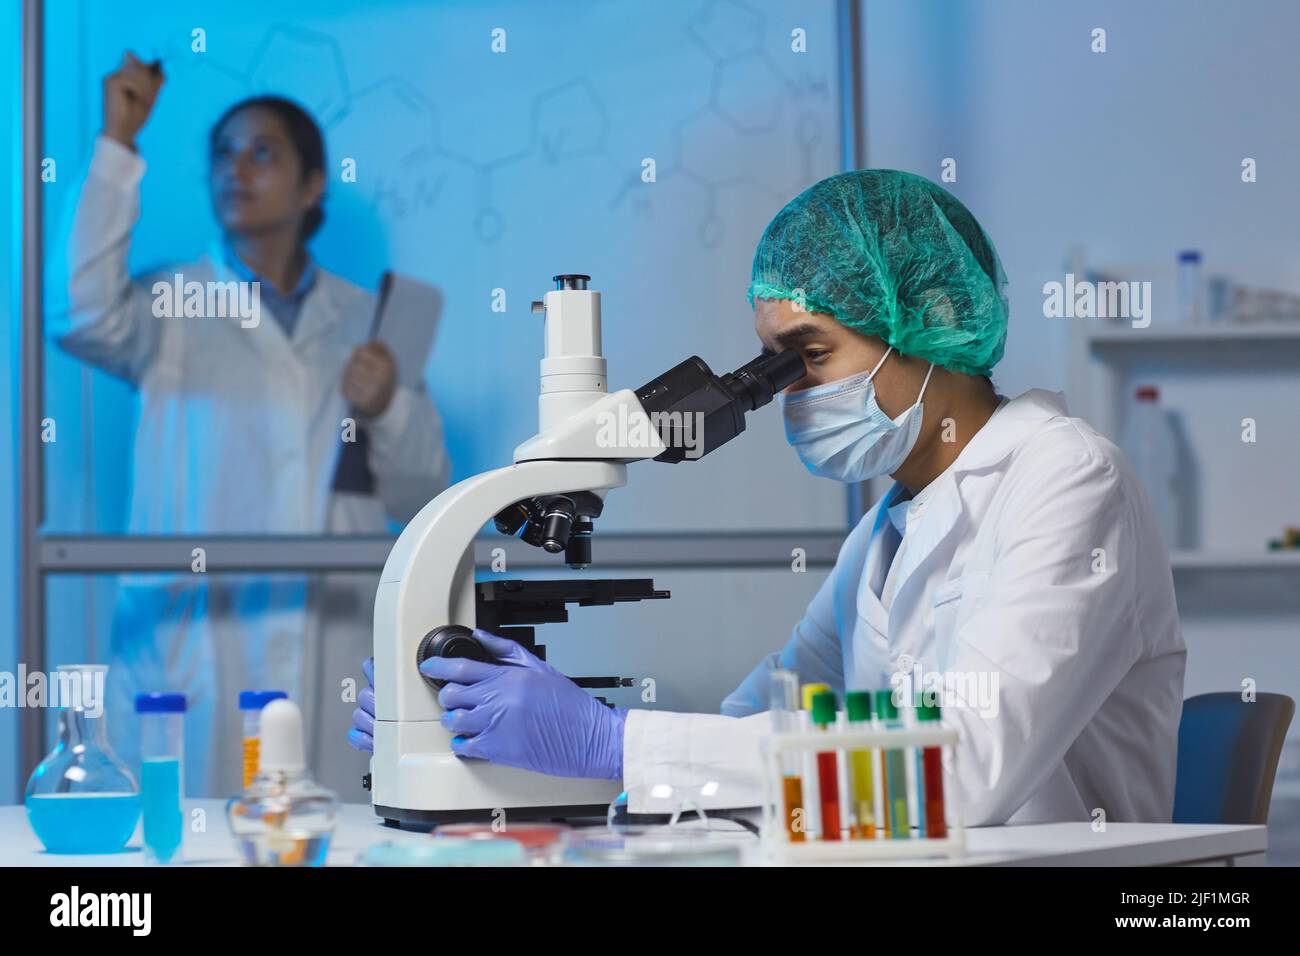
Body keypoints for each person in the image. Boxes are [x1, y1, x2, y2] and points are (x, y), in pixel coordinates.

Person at [348, 170, 1186, 826]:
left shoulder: (1070, 479)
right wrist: (505, 734)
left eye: (808, 356)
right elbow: (763, 717)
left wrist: (610, 742)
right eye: (772, 363)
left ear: (929, 318)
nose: (789, 393)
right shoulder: (889, 528)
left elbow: (958, 772)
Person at [49, 52, 450, 797]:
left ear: (312, 184)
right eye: (223, 154)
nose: (236, 168)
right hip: (196, 645)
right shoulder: (170, 304)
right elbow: (77, 315)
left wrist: (390, 402)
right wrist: (117, 146)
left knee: (328, 831)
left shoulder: (369, 319)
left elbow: (422, 491)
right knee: (195, 831)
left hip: (329, 644)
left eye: (262, 152)